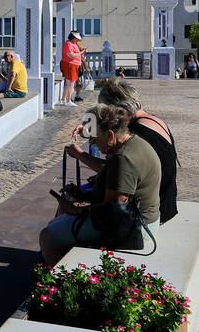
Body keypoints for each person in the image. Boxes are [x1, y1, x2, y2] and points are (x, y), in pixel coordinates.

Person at [40, 104, 161, 268]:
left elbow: (113, 210)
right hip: (146, 218)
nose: (95, 145)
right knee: (62, 220)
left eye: (96, 140)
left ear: (110, 135)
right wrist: (84, 195)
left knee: (48, 236)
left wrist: (76, 210)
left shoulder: (123, 159)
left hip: (136, 227)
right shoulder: (135, 143)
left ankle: (58, 285)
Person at [67, 78, 178, 225]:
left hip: (150, 211)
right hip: (165, 203)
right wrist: (90, 129)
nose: (105, 117)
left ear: (119, 109)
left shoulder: (135, 133)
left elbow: (113, 169)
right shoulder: (153, 120)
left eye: (106, 111)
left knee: (68, 213)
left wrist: (80, 154)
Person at [59, 31, 83, 106]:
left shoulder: (72, 44)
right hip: (70, 65)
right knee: (71, 83)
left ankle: (63, 99)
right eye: (76, 39)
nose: (77, 40)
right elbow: (71, 55)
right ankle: (68, 100)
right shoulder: (68, 44)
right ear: (73, 38)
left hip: (72, 65)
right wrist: (81, 53)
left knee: (68, 83)